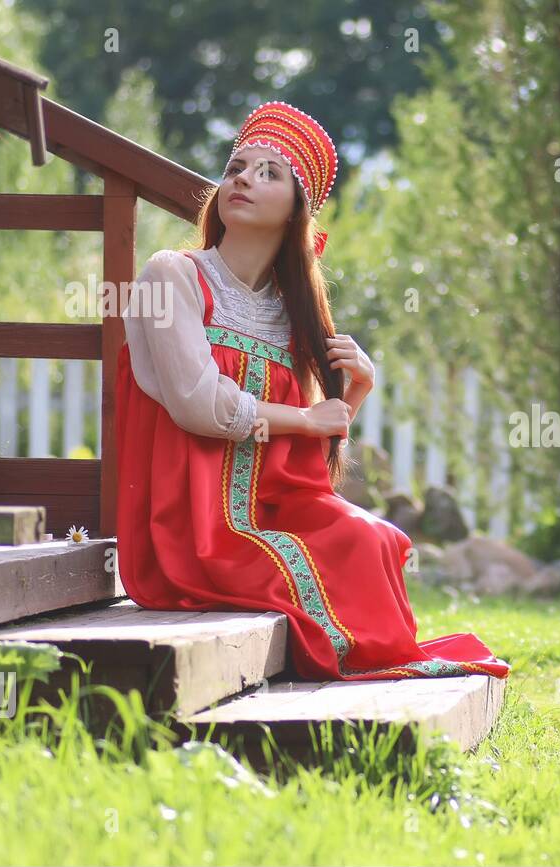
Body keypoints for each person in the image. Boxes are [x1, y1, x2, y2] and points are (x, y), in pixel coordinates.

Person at [113, 101, 510, 682]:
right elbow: (198, 404)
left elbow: (303, 469)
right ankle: (367, 658)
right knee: (315, 557)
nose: (243, 178)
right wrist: (309, 419)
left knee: (374, 538)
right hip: (189, 531)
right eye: (236, 167)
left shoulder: (289, 311)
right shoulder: (172, 274)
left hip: (269, 511)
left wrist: (355, 395)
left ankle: (385, 655)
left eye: (269, 173)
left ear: (297, 211)